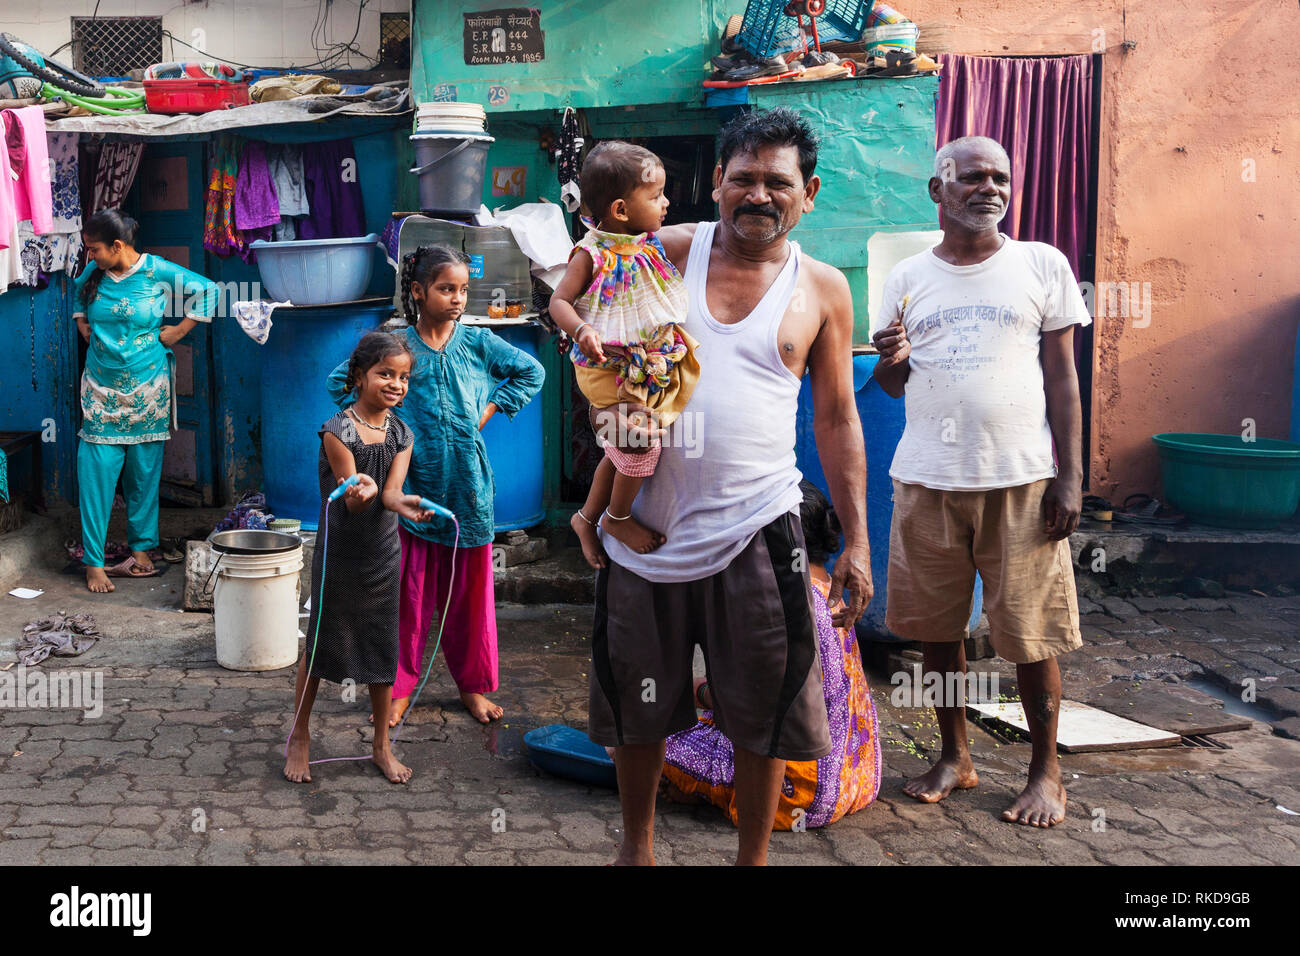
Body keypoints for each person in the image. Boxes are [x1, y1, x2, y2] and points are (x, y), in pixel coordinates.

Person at [587, 107, 873, 866]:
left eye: (777, 182)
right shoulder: (667, 252)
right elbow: (588, 305)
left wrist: (858, 542)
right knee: (637, 706)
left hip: (758, 527)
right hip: (645, 527)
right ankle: (636, 850)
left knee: (763, 711)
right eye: (742, 178)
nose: (758, 195)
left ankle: (752, 861)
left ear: (808, 192)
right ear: (715, 183)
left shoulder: (824, 290)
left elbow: (840, 418)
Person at [871, 135, 1090, 828]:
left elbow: (1063, 378)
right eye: (971, 178)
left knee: (1031, 635)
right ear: (938, 191)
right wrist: (892, 359)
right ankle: (954, 755)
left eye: (999, 178)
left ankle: (1046, 772)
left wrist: (1071, 478)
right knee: (937, 633)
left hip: (1022, 479)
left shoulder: (1040, 264)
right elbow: (892, 383)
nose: (988, 189)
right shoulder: (906, 276)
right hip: (927, 479)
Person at [327, 246, 544, 725]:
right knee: (409, 601)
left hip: (469, 488)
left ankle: (473, 686)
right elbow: (338, 383)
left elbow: (533, 371)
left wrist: (485, 413)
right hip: (410, 491)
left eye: (464, 290)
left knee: (470, 600)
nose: (458, 299)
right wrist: (381, 420)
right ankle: (399, 689)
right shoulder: (397, 345)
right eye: (447, 289)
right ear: (419, 291)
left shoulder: (479, 343)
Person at [661, 481, 882, 829]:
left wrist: (698, 692)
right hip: (856, 777)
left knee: (640, 731)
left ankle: (699, 790)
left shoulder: (784, 602)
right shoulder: (830, 592)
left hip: (798, 793)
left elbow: (749, 709)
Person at [284, 333, 433, 785]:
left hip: (384, 552)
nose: (396, 384)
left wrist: (403, 503)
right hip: (341, 554)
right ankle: (300, 736)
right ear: (358, 377)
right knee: (322, 641)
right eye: (385, 374)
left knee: (382, 642)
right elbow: (352, 499)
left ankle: (381, 747)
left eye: (403, 377)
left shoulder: (403, 434)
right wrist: (360, 491)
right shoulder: (337, 431)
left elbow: (389, 494)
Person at [549, 141, 700, 566]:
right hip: (606, 365)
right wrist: (580, 329)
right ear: (619, 209)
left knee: (622, 449)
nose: (667, 203)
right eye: (656, 196)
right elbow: (558, 302)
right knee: (638, 444)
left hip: (644, 365)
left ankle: (585, 517)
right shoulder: (590, 253)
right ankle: (616, 517)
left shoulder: (650, 244)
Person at [73, 209, 219, 594]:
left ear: (117, 246)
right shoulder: (94, 274)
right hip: (101, 393)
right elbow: (77, 294)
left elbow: (211, 290)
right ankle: (94, 562)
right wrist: (82, 324)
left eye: (94, 249)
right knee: (96, 475)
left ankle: (141, 551)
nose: (90, 257)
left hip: (147, 390)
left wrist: (180, 330)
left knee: (143, 476)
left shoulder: (156, 271)